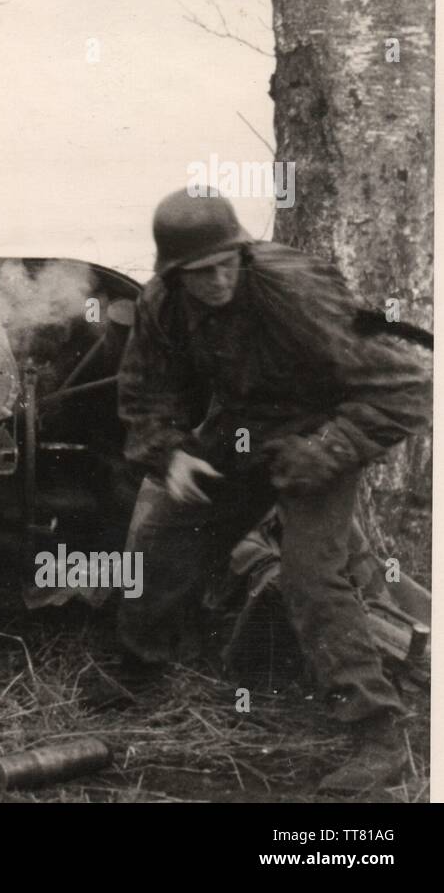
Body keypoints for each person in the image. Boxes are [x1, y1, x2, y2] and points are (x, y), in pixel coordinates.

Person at [116, 187, 431, 793]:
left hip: (320, 431)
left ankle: (375, 731)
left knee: (311, 575)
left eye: (222, 264)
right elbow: (144, 393)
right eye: (195, 272)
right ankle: (141, 665)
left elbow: (408, 387)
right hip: (242, 430)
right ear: (173, 274)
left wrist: (325, 453)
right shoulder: (162, 304)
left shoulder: (296, 294)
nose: (213, 282)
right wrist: (171, 452)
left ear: (243, 253)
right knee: (166, 530)